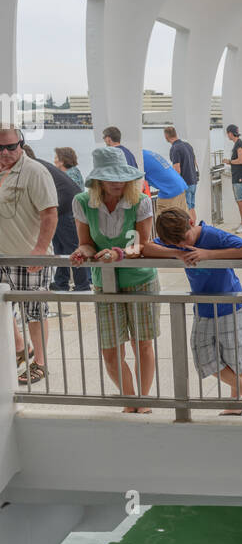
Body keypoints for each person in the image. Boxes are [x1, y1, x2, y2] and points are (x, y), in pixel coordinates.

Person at [139, 206, 242, 416]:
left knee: (233, 354)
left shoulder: (212, 235)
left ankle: (237, 402)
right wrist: (175, 252)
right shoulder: (174, 240)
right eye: (176, 244)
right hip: (203, 307)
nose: (184, 245)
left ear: (191, 222)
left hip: (230, 304)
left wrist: (208, 254)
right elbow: (145, 248)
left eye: (185, 239)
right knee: (202, 356)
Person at [70, 147, 159, 411]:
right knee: (110, 350)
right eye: (111, 177)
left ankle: (140, 402)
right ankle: (131, 400)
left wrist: (118, 253)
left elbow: (144, 245)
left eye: (121, 177)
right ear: (98, 179)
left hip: (140, 278)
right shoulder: (83, 202)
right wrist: (80, 252)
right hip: (104, 281)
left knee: (142, 344)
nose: (117, 182)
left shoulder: (140, 201)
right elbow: (86, 244)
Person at [0, 126, 58, 385]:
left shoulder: (35, 171)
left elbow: (50, 213)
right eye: (0, 148)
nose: (6, 152)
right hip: (4, 257)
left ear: (20, 144)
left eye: (11, 146)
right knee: (3, 306)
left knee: (34, 311)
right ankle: (21, 347)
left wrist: (39, 250)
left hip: (31, 257)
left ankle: (41, 364)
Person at [25, 147, 90, 293]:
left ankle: (82, 285)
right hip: (62, 205)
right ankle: (61, 282)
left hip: (65, 206)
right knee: (60, 247)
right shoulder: (38, 165)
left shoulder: (31, 167)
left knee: (72, 247)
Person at [163, 125, 199, 217]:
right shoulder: (188, 145)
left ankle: (188, 230)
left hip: (184, 184)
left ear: (166, 136)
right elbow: (195, 163)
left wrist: (173, 185)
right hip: (193, 181)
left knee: (185, 210)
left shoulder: (175, 148)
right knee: (191, 207)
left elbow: (177, 169)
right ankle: (193, 229)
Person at [142, 147, 188, 217]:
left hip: (170, 191)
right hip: (180, 185)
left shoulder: (139, 158)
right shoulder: (147, 153)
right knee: (184, 222)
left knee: (164, 224)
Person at [223, 124, 242, 232]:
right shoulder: (237, 144)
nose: (227, 135)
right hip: (237, 176)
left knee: (241, 201)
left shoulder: (239, 145)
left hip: (240, 177)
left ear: (230, 133)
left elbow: (241, 160)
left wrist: (229, 162)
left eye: (227, 133)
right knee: (239, 201)